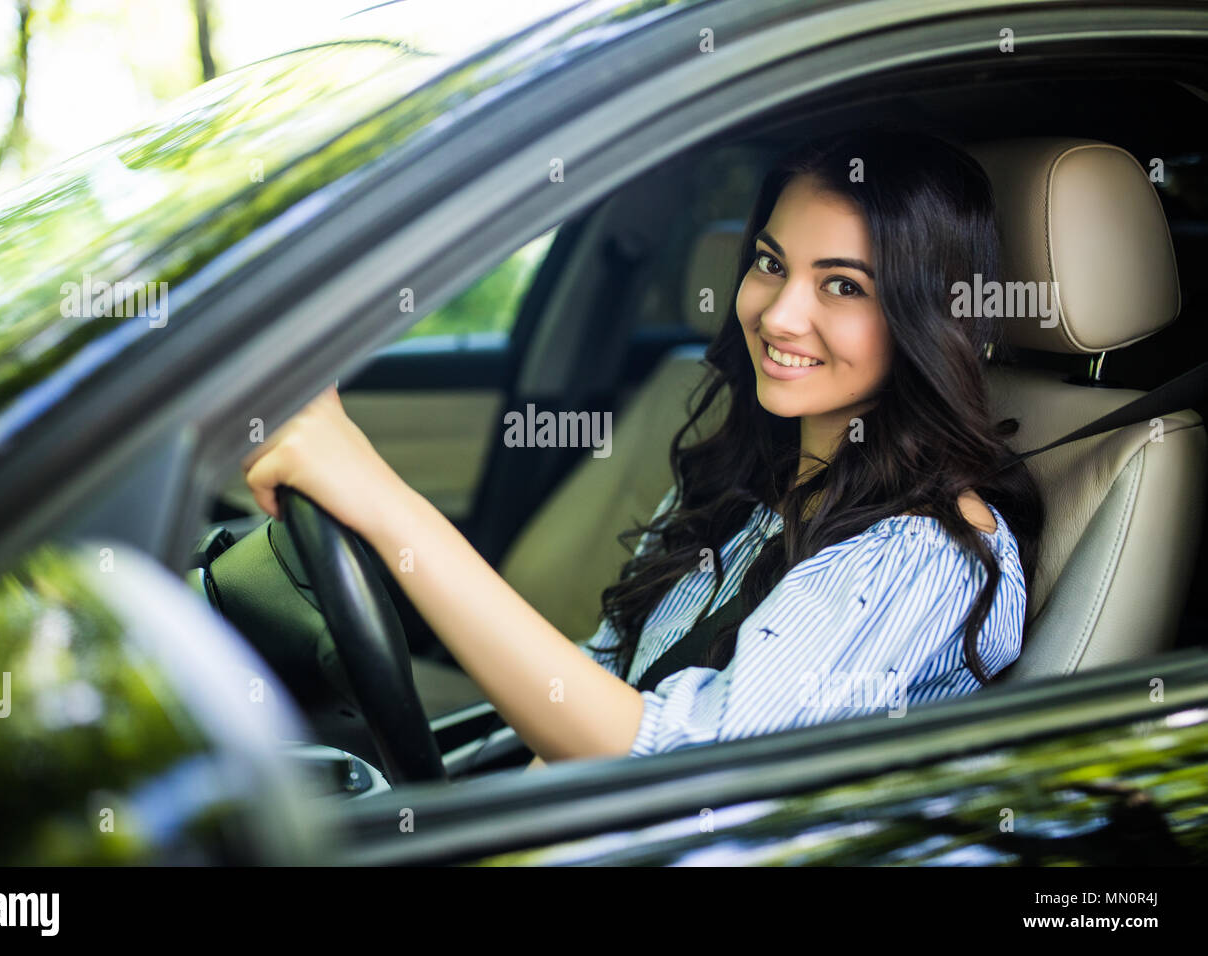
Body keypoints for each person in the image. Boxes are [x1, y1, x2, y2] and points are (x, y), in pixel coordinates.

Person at [242, 128, 1044, 767]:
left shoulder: (931, 550)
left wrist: (382, 501)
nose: (778, 314)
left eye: (843, 285)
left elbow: (684, 770)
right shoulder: (753, 480)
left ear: (924, 319)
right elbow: (603, 677)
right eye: (770, 264)